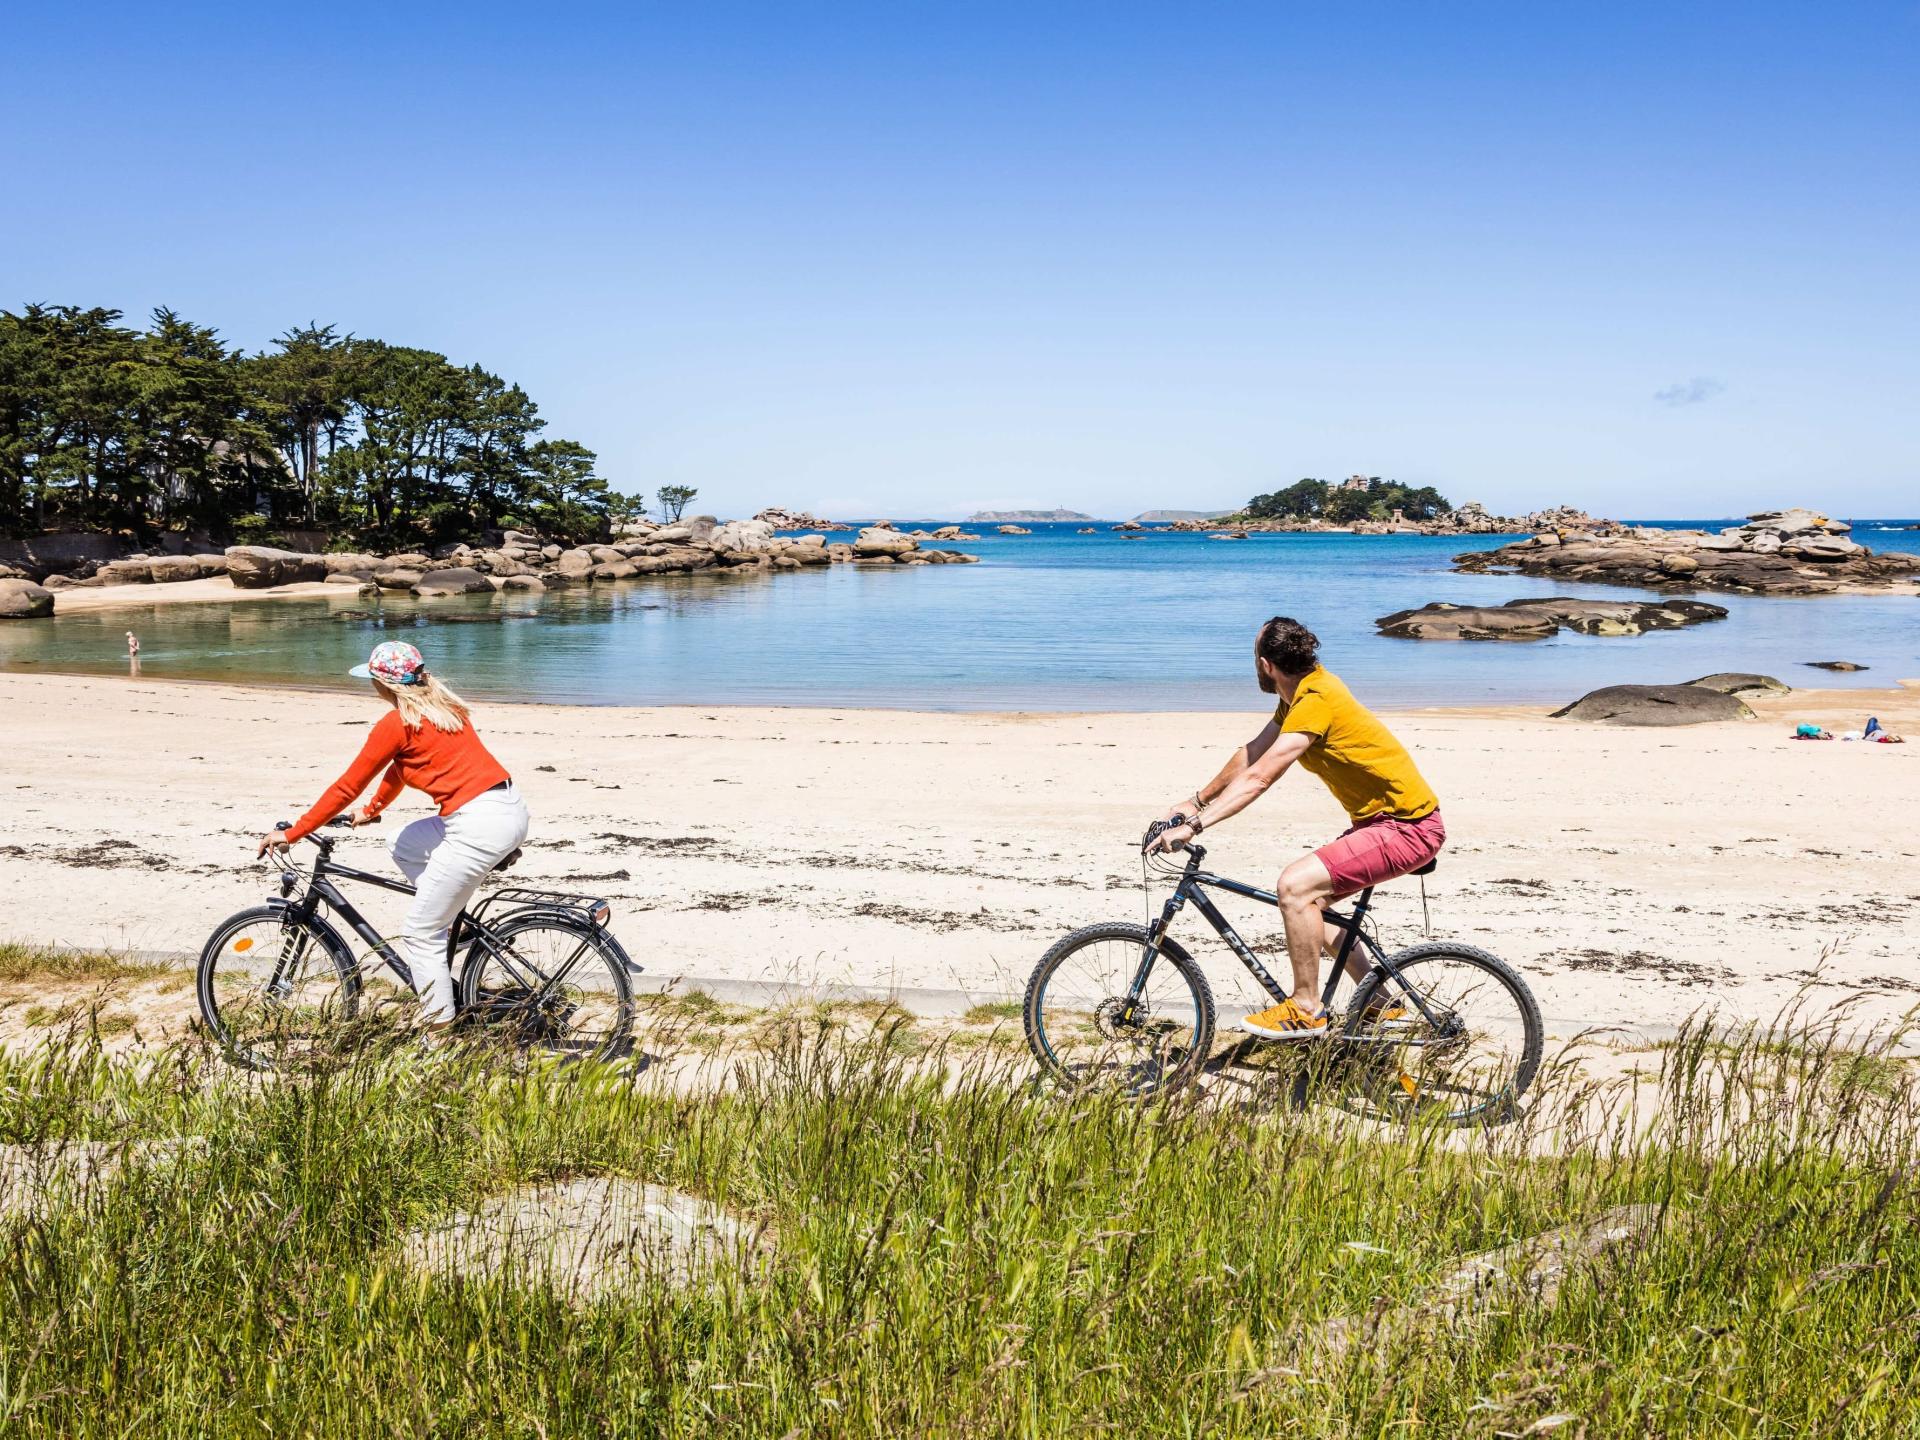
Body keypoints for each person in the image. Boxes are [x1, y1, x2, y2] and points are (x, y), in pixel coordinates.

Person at [1147, 616, 1443, 1040]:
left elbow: (1261, 777)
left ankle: (1305, 1008)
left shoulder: (1316, 699)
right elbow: (1253, 754)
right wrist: (1196, 800)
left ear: (1265, 665)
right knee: (1312, 905)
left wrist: (1195, 826)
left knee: (1294, 887)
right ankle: (1379, 1002)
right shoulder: (1299, 695)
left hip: (1407, 826)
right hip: (1382, 823)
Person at [256, 641, 529, 1026]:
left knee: (420, 933)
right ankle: (457, 922)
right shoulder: (444, 709)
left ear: (383, 684)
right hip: (507, 810)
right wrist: (371, 811)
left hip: (477, 825)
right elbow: (401, 769)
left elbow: (346, 787)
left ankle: (439, 1036)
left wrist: (296, 832)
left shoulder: (398, 722)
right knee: (402, 844)